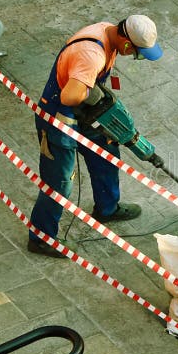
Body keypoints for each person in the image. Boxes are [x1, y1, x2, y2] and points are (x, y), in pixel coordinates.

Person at [28, 15, 163, 257]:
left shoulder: (107, 32)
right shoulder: (92, 54)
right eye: (137, 53)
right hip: (60, 118)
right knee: (59, 183)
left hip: (85, 114)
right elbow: (70, 96)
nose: (135, 56)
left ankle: (107, 208)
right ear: (126, 43)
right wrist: (95, 96)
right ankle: (41, 238)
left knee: (107, 155)